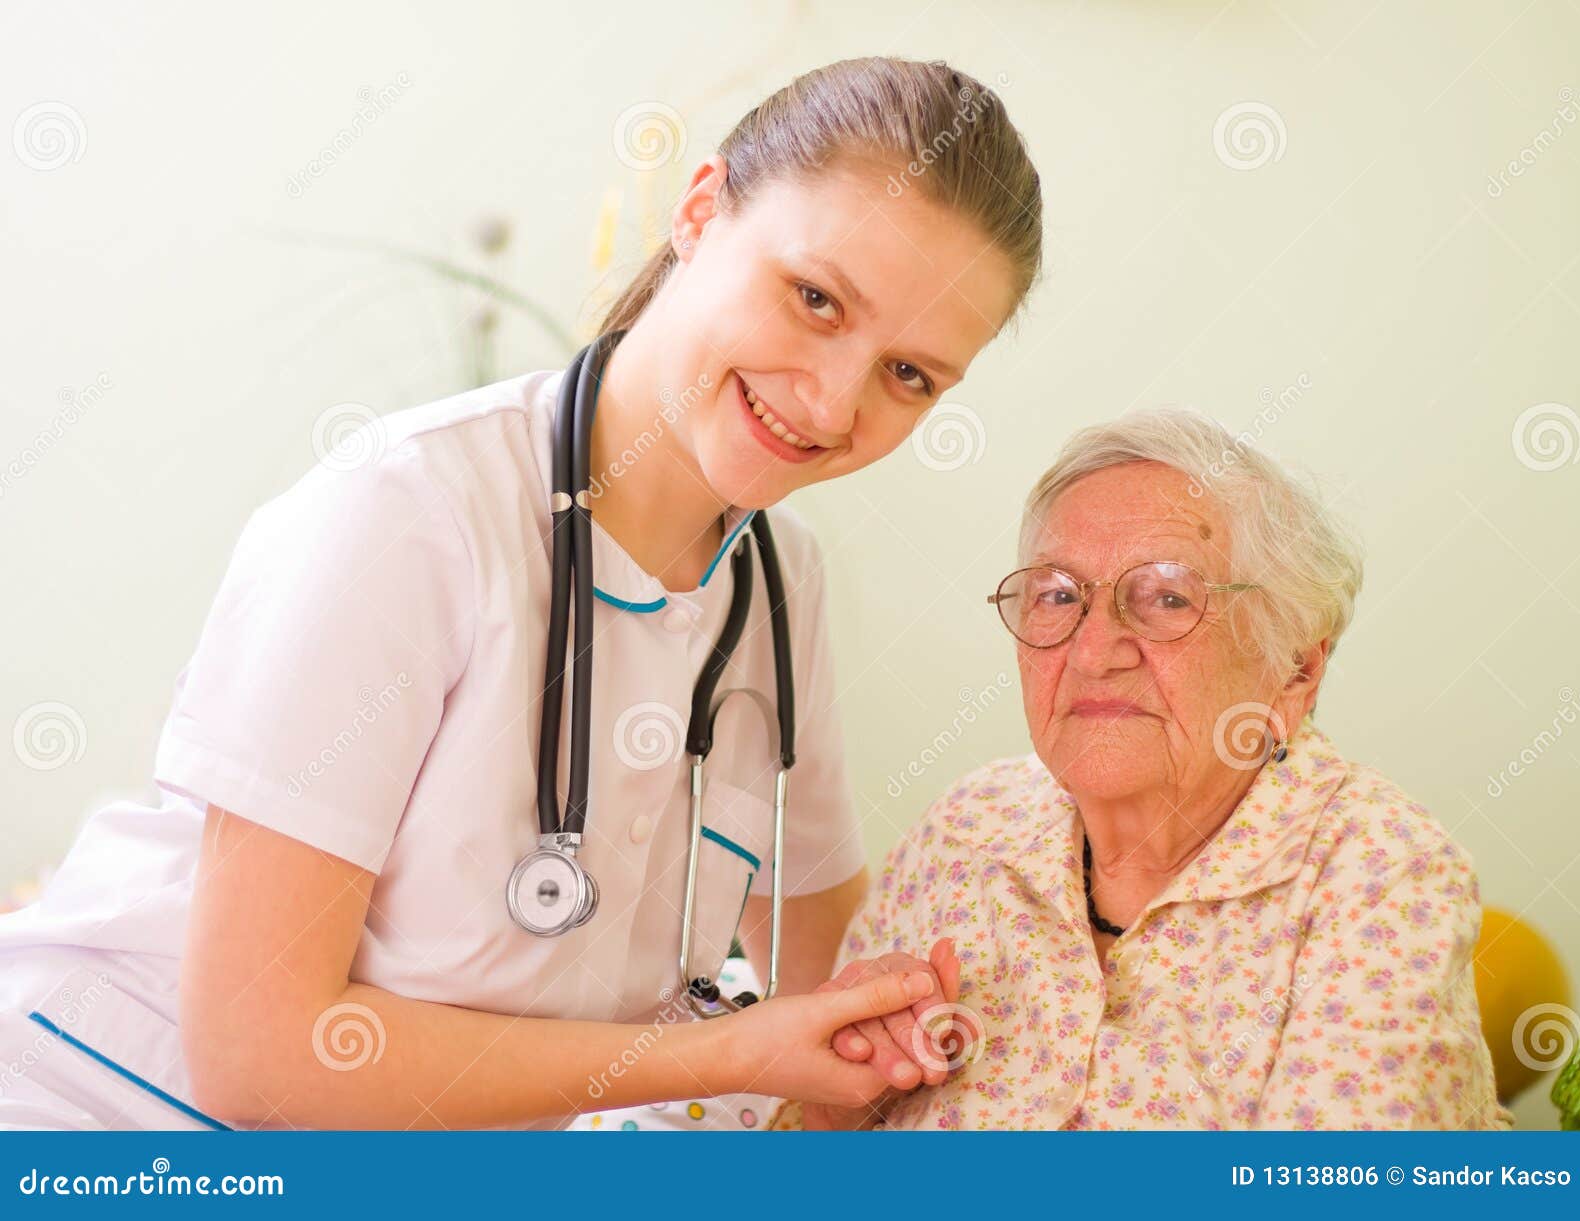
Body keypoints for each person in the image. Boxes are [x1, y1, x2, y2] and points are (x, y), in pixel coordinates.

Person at [0, 56, 1042, 1130]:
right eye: (814, 299)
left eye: (909, 375)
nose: (830, 403)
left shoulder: (778, 587)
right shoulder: (411, 509)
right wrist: (724, 1053)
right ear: (699, 211)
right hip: (98, 1112)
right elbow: (259, 1062)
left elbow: (827, 966)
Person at [782, 409, 1513, 1130]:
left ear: (1295, 667)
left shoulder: (1378, 871)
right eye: (1058, 595)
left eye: (1167, 597)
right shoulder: (968, 827)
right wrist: (840, 1099)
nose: (1095, 650)